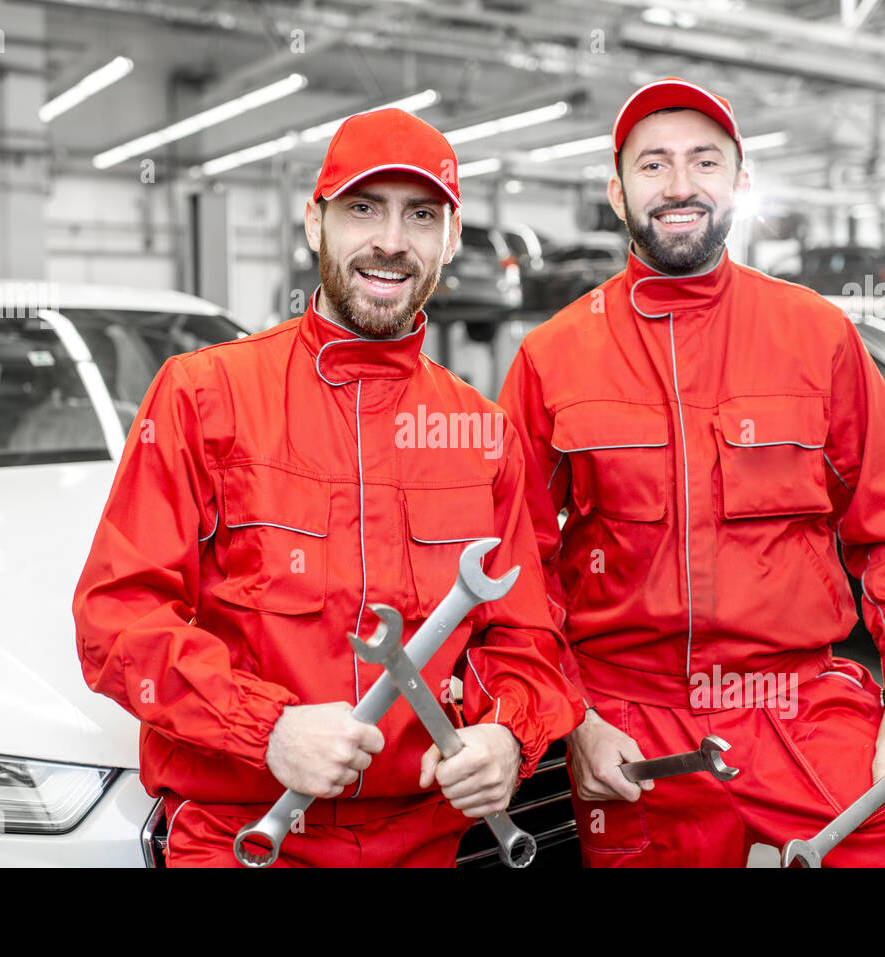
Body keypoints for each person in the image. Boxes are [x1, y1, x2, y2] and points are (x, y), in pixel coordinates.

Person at [72, 108, 583, 867]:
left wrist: (508, 730)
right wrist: (266, 728)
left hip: (427, 842)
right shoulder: (204, 394)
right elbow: (117, 619)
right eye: (362, 208)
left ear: (449, 239)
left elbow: (527, 633)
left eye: (420, 215)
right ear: (314, 224)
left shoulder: (482, 432)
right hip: (246, 836)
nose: (390, 240)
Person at [498, 78, 885, 867]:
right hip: (630, 722)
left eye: (704, 162)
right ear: (617, 192)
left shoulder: (816, 334)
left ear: (739, 183)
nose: (680, 185)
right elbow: (515, 561)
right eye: (653, 166)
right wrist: (574, 717)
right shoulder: (553, 355)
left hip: (798, 702)